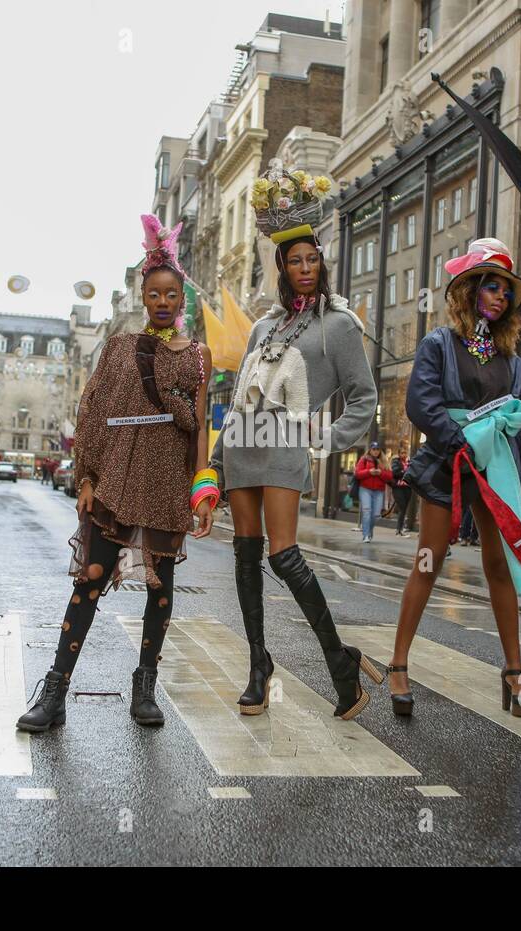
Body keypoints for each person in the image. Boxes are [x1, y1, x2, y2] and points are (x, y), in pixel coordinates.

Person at [18, 214, 215, 732]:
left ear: (182, 299)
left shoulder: (199, 355)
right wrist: (85, 476)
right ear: (143, 297)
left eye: (172, 294)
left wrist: (203, 492)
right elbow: (94, 408)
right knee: (91, 580)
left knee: (160, 588)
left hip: (169, 480)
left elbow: (200, 429)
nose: (163, 302)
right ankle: (55, 690)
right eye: (154, 294)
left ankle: (145, 687)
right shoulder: (121, 347)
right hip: (119, 477)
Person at [213, 163, 380, 721]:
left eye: (313, 260)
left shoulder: (340, 325)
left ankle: (340, 661)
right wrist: (213, 466)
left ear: (322, 264)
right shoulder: (264, 326)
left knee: (284, 555)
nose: (305, 268)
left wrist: (328, 440)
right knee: (244, 557)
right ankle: (259, 667)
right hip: (242, 445)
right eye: (295, 261)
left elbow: (364, 396)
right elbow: (239, 399)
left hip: (285, 447)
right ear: (282, 267)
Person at [388, 238, 521, 717]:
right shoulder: (439, 343)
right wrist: (459, 443)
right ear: (470, 291)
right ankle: (399, 664)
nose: (500, 297)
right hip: (449, 465)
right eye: (492, 287)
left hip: (497, 467)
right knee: (427, 560)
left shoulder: (514, 361)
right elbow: (420, 404)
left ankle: (513, 672)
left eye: (506, 291)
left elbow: (517, 417)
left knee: (500, 564)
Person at [354, 442, 389, 542]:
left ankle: (369, 530)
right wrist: (369, 472)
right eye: (374, 449)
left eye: (378, 449)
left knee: (376, 515)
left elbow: (390, 476)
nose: (376, 451)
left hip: (379, 491)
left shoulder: (384, 460)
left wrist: (380, 473)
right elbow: (357, 474)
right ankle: (366, 535)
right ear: (370, 450)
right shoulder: (364, 459)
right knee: (367, 511)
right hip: (365, 489)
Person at [391, 445, 412, 536]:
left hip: (407, 487)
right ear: (399, 454)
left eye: (405, 453)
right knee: (402, 507)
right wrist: (404, 471)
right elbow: (395, 473)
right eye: (402, 453)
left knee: (404, 508)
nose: (404, 454)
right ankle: (399, 528)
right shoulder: (396, 462)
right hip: (398, 487)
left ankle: (400, 528)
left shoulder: (409, 462)